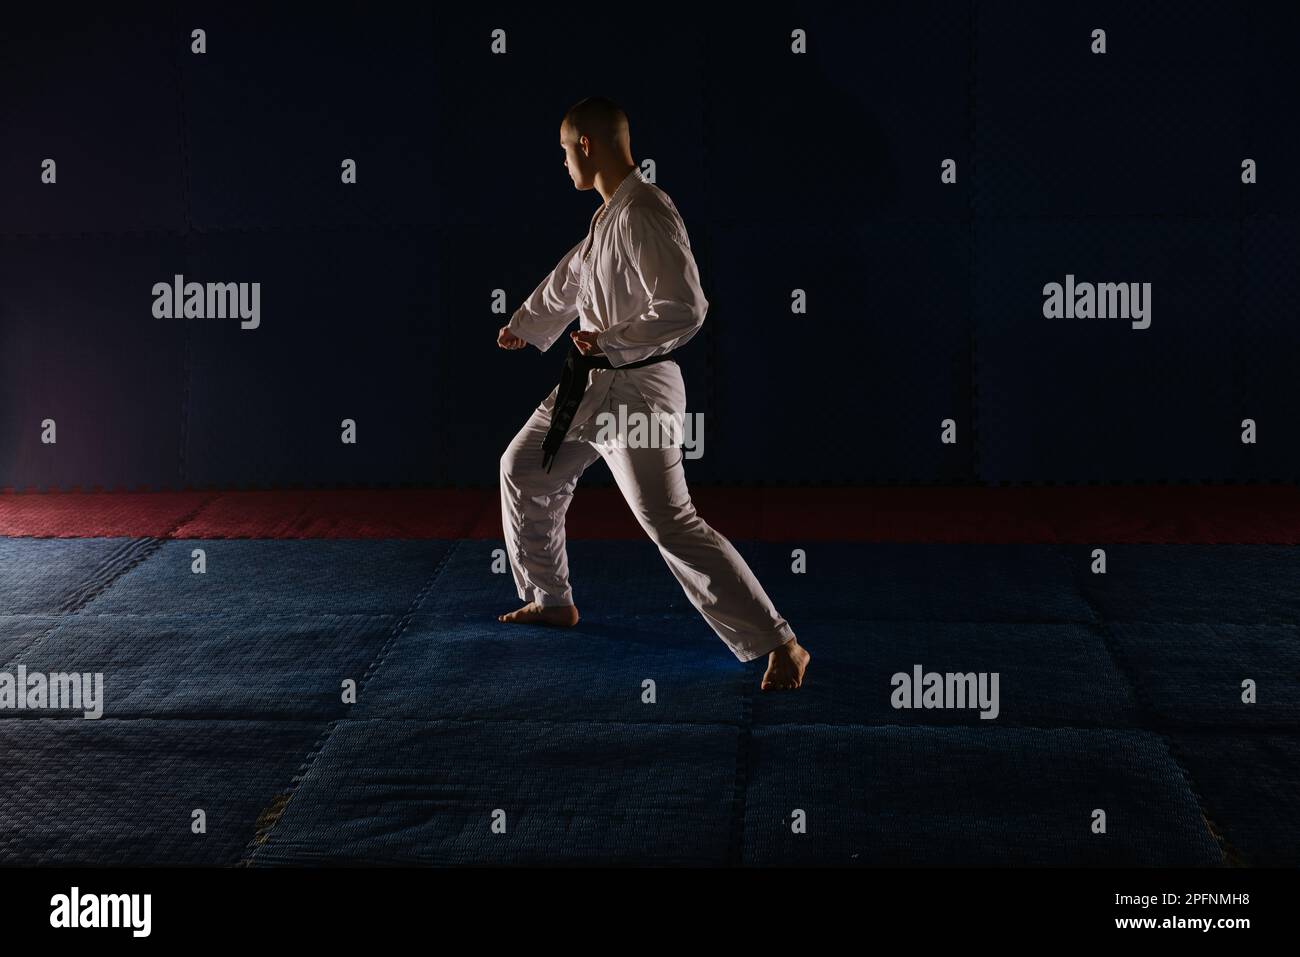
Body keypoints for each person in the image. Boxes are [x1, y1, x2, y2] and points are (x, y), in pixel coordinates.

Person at [496, 96, 810, 691]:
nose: (563, 163)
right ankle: (550, 598)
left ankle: (780, 642)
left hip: (639, 390)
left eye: (565, 151)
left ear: (586, 145)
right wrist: (527, 322)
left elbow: (687, 308)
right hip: (592, 383)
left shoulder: (645, 210)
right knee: (523, 469)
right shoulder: (609, 215)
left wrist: (611, 342)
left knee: (668, 519)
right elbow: (574, 277)